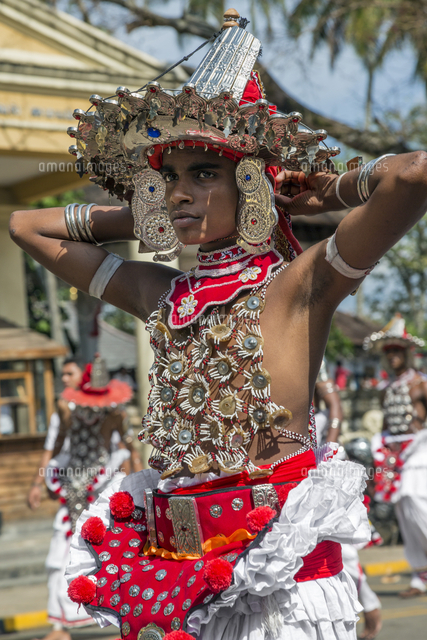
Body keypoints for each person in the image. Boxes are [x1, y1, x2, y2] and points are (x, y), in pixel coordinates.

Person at [10, 9, 427, 640]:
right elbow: (25, 225)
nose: (179, 192)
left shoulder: (295, 288)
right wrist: (150, 216)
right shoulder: (161, 294)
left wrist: (324, 191)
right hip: (189, 574)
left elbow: (414, 174)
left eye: (204, 173)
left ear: (253, 183)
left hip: (281, 583)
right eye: (168, 178)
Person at [28, 356, 133, 640]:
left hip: (101, 485)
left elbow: (126, 447)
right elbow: (54, 446)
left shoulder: (114, 412)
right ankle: (60, 624)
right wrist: (40, 481)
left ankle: (116, 617)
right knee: (62, 549)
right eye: (61, 375)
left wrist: (132, 484)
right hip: (72, 485)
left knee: (108, 547)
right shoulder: (63, 409)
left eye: (69, 374)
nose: (64, 379)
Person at [314, 365, 382, 639]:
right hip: (298, 477)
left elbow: (335, 408)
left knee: (344, 552)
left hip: (325, 472)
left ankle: (371, 609)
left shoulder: (315, 370)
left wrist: (326, 455)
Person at [365, 315, 427, 598]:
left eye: (396, 352)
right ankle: (420, 574)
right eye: (387, 353)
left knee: (414, 497)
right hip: (395, 452)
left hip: (421, 447)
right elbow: (388, 426)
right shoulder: (385, 390)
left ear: (406, 354)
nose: (391, 357)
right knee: (402, 506)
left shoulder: (421, 383)